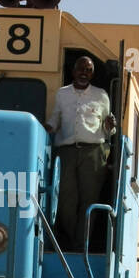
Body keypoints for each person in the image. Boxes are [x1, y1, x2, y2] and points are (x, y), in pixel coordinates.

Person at [45, 56, 116, 249]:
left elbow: (108, 129)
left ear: (92, 74)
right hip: (66, 151)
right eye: (81, 69)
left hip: (93, 152)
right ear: (74, 71)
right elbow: (55, 118)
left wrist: (111, 127)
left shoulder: (101, 95)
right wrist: (47, 128)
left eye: (89, 70)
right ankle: (69, 239)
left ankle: (80, 245)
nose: (84, 72)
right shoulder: (62, 94)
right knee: (65, 200)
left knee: (89, 201)